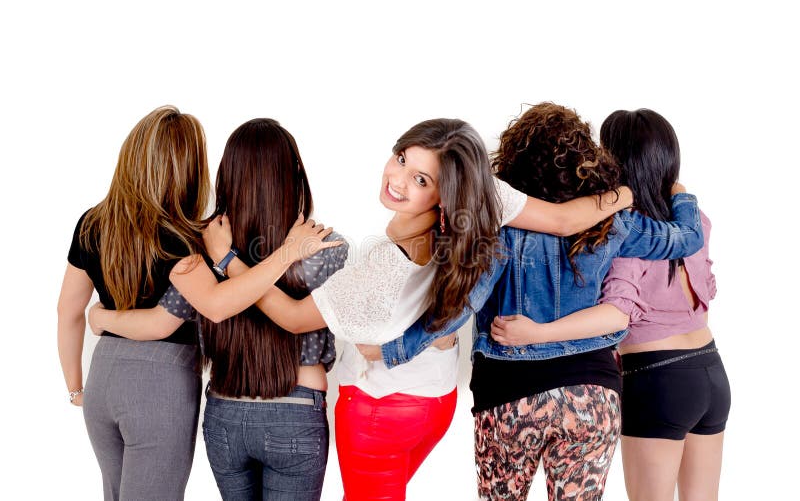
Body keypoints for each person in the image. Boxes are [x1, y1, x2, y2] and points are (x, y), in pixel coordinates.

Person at [204, 117, 636, 501]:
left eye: (421, 180)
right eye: (401, 158)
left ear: (444, 194)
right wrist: (625, 193)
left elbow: (294, 316)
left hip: (380, 409)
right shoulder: (482, 199)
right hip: (436, 402)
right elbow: (563, 220)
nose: (399, 179)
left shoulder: (383, 264)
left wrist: (229, 261)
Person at [370, 103, 706, 500]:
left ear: (510, 158)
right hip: (591, 396)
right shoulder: (615, 219)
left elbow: (462, 303)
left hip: (509, 395)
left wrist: (392, 350)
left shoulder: (496, 224)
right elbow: (686, 238)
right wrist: (680, 194)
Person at [88, 118, 345, 501]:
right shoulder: (324, 246)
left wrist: (102, 317)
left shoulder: (204, 245)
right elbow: (296, 318)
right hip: (296, 413)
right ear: (296, 174)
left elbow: (162, 321)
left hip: (225, 415)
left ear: (225, 176)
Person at [57, 105, 212, 500]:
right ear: (189, 168)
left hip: (103, 376)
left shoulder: (92, 223)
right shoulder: (190, 239)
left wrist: (76, 387)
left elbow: (69, 310)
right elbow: (170, 321)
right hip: (160, 384)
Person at [598, 109, 729, 501]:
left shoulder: (625, 232)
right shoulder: (695, 221)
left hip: (656, 378)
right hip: (711, 370)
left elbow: (616, 310)